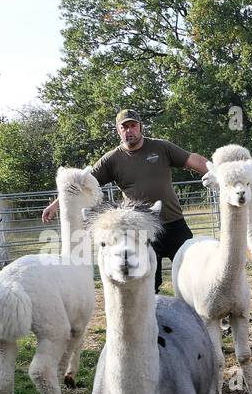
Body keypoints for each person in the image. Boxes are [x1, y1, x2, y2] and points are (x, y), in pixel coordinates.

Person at [43, 109, 210, 291]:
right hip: (139, 231)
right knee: (147, 284)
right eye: (125, 127)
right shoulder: (112, 159)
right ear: (118, 130)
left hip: (173, 224)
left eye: (133, 126)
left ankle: (205, 316)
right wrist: (55, 204)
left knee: (194, 273)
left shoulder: (162, 148)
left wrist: (219, 174)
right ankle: (150, 318)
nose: (129, 130)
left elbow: (193, 159)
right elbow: (82, 182)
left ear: (140, 127)